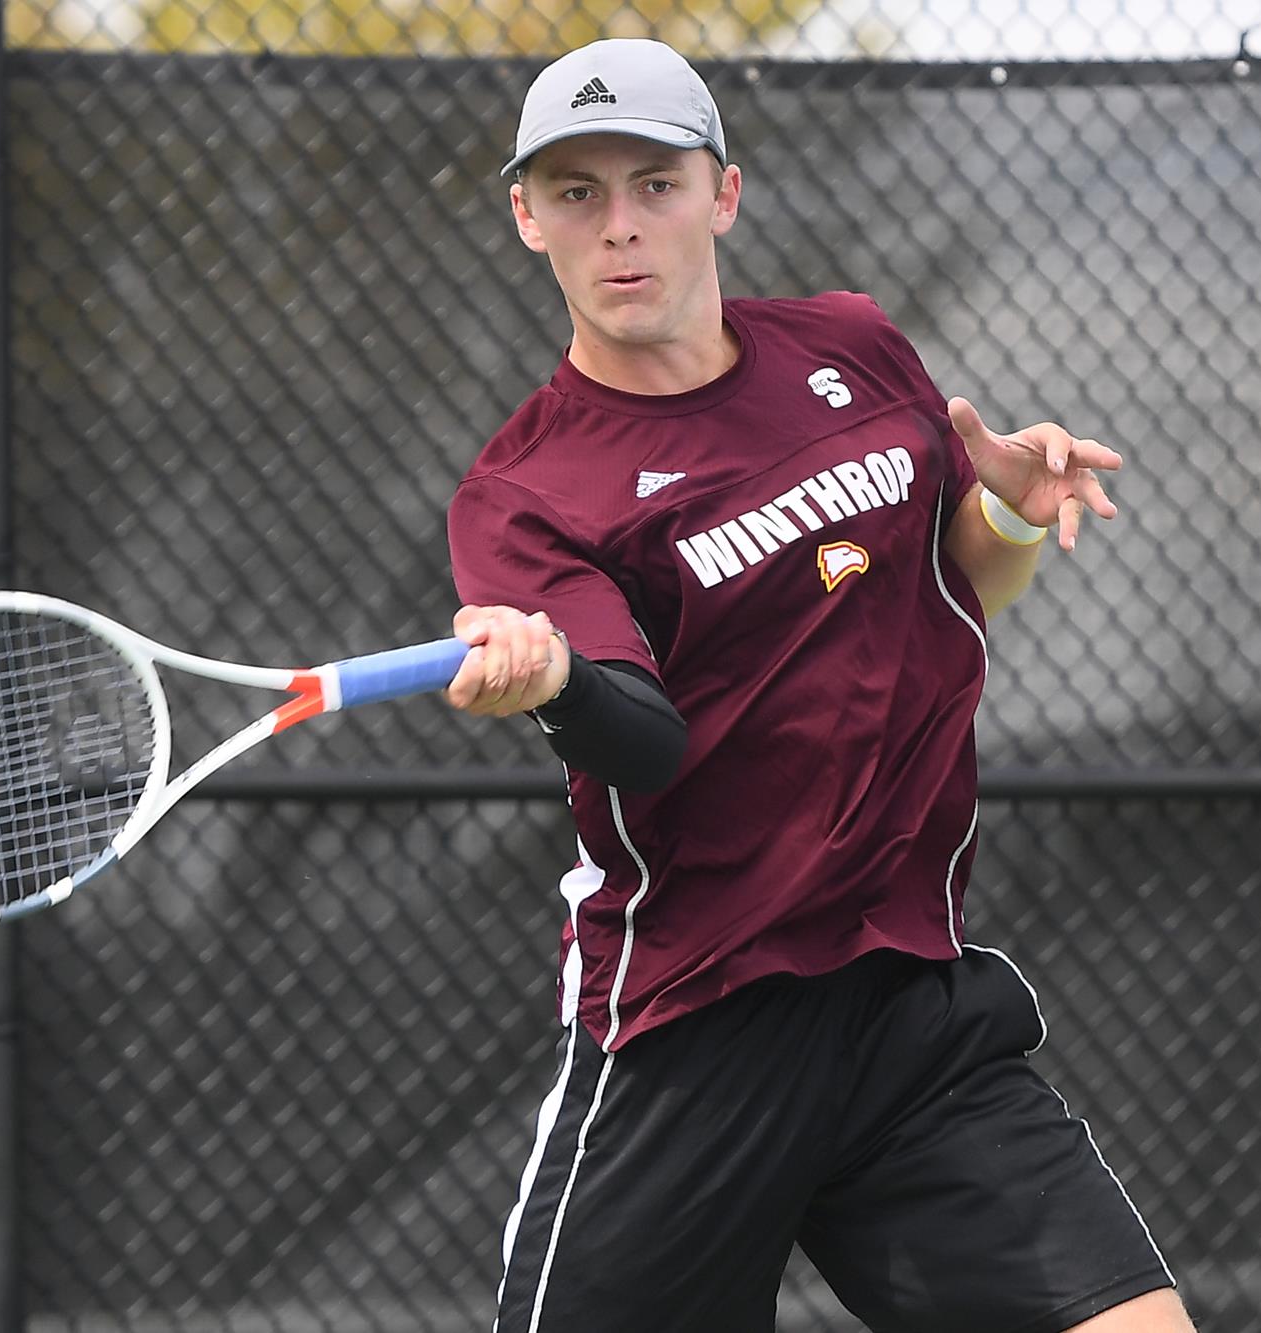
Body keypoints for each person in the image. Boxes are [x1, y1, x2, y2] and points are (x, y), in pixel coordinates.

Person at [442, 35, 1196, 1333]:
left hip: (908, 998)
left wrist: (1006, 517)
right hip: (695, 1027)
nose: (622, 228)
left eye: (655, 185)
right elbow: (641, 741)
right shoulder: (527, 495)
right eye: (578, 193)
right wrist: (559, 675)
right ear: (529, 217)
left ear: (722, 195)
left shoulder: (852, 349)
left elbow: (945, 587)